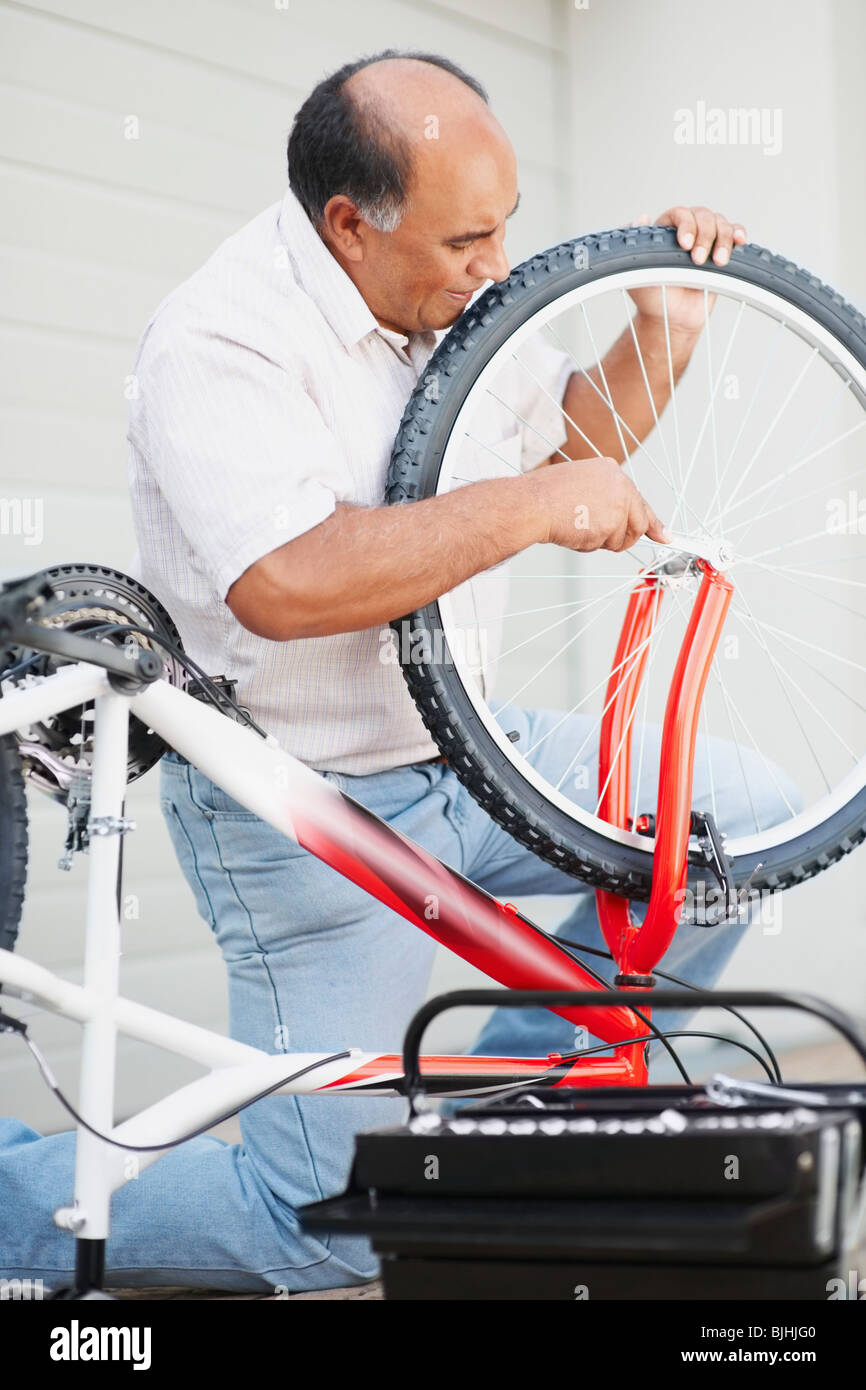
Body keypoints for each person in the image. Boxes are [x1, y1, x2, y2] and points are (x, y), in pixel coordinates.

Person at [0, 49, 793, 1295]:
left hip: (480, 752)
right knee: (317, 1221)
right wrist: (533, 507)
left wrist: (661, 334)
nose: (495, 266)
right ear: (347, 227)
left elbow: (566, 443)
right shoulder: (220, 339)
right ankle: (5, 1199)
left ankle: (495, 1136)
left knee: (740, 829)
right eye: (465, 240)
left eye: (506, 229)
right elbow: (289, 581)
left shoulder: (447, 294)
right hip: (307, 803)